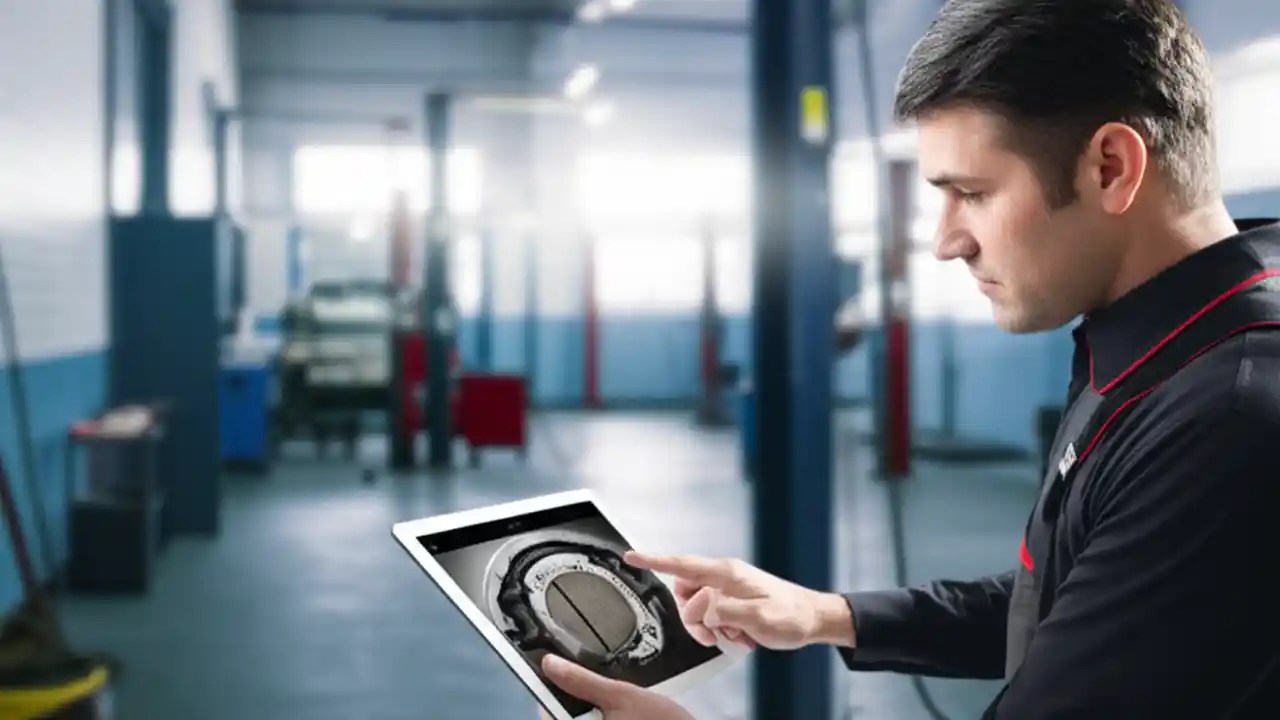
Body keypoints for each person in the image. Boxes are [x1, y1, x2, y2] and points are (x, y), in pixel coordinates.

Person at [541, 0, 1280, 717]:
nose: (945, 240)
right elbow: (1076, 606)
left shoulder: (1225, 417)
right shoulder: (1163, 338)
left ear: (1112, 168)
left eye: (972, 194)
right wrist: (830, 615)